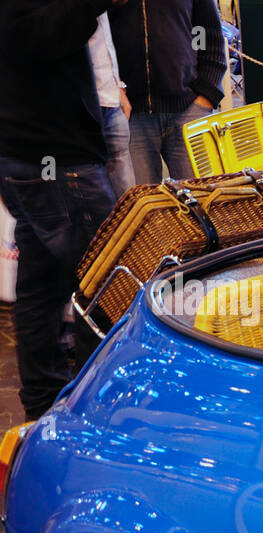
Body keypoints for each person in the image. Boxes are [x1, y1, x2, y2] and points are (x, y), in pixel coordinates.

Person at [0, 0, 121, 420]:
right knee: (109, 283)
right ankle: (99, 408)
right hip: (53, 157)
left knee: (41, 285)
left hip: (40, 153)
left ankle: (46, 406)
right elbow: (33, 37)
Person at [109, 0, 228, 185]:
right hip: (131, 115)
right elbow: (97, 40)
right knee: (142, 207)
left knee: (199, 203)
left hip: (189, 111)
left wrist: (207, 95)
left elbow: (209, 34)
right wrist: (114, 88)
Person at [89, 12, 135, 198]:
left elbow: (103, 43)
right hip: (81, 106)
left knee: (129, 202)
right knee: (91, 198)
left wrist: (118, 87)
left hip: (111, 99)